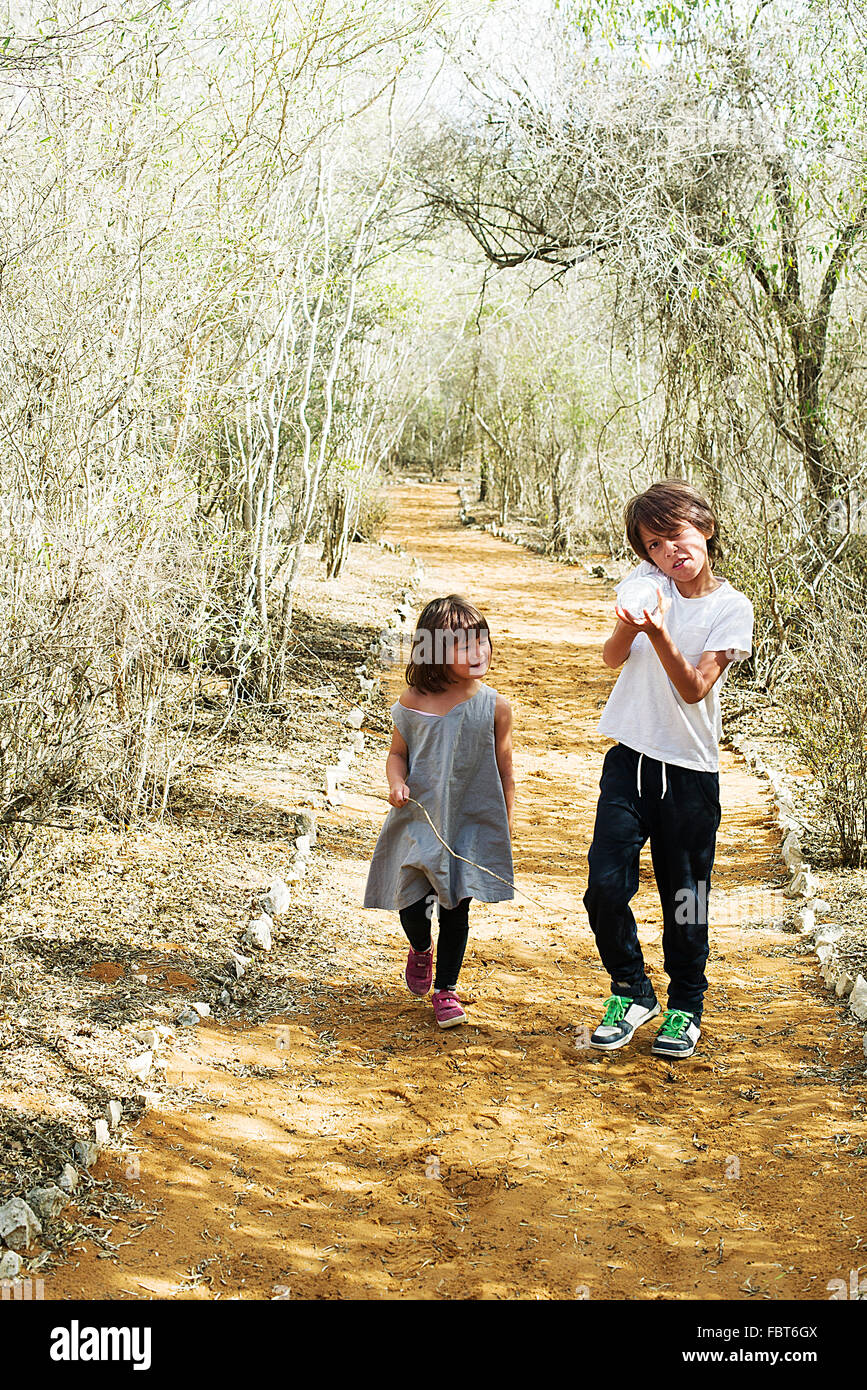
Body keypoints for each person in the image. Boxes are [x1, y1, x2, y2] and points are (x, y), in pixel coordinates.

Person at [584, 479, 754, 1058]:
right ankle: (631, 991)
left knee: (686, 898)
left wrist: (657, 631)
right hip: (628, 761)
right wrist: (632, 621)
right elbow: (611, 658)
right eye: (654, 545)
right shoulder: (648, 586)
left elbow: (694, 687)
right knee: (604, 887)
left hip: (688, 775)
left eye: (676, 535)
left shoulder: (732, 608)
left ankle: (685, 1006)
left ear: (704, 528)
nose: (669, 553)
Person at [363, 594, 515, 1028]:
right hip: (417, 819)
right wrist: (396, 783)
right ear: (430, 651)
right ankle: (420, 948)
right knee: (411, 901)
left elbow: (505, 771)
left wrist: (503, 823)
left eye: (481, 640)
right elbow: (398, 754)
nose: (478, 652)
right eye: (462, 645)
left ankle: (446, 988)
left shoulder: (495, 707)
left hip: (467, 825)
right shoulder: (411, 701)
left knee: (456, 906)